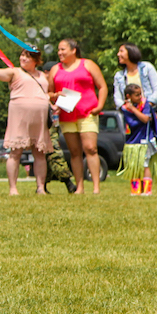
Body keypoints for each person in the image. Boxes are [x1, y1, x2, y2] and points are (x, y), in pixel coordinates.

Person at [0, 45, 51, 195]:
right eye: (22, 55)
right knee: (15, 152)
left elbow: (47, 93)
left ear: (36, 60)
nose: (23, 58)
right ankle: (13, 188)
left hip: (39, 119)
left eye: (27, 56)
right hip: (19, 117)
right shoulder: (14, 71)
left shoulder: (42, 75)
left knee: (40, 153)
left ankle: (41, 187)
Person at [47, 37, 107, 195]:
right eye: (58, 50)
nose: (59, 52)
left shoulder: (87, 64)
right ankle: (79, 187)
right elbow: (49, 93)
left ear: (73, 50)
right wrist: (56, 95)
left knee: (90, 148)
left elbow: (102, 86)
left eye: (63, 49)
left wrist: (99, 106)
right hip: (67, 115)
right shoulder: (55, 69)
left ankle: (96, 187)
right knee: (74, 151)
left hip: (87, 112)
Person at [113, 42, 157, 193]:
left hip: (150, 115)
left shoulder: (147, 68)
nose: (118, 54)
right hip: (131, 118)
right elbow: (118, 98)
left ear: (131, 52)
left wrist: (146, 106)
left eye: (121, 51)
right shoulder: (119, 76)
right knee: (135, 157)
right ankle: (137, 190)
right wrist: (127, 108)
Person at [119, 83, 157, 195]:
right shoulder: (125, 108)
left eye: (140, 94)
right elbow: (132, 123)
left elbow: (146, 119)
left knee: (144, 164)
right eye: (137, 95)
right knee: (134, 166)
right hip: (132, 141)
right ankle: (136, 190)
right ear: (128, 96)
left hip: (145, 140)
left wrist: (133, 109)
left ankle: (146, 191)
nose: (140, 97)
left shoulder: (145, 104)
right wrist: (132, 109)